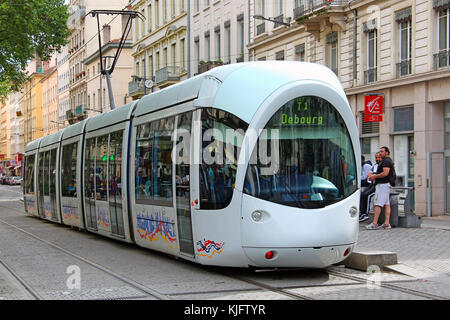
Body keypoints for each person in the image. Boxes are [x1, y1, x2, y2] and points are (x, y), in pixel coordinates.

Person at [366, 146, 394, 230]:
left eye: (382, 151)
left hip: (382, 185)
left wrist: (374, 176)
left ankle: (374, 223)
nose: (380, 153)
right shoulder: (386, 161)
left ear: (387, 152)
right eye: (380, 151)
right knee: (386, 204)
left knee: (378, 204)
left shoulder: (386, 161)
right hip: (385, 185)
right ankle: (386, 223)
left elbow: (385, 173)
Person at [359, 153, 381, 222]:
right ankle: (362, 212)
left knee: (367, 195)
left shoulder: (382, 165)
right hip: (372, 183)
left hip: (378, 184)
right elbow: (369, 174)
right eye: (376, 157)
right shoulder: (375, 165)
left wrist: (374, 175)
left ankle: (365, 213)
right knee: (362, 194)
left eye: (378, 157)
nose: (377, 159)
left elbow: (375, 174)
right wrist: (373, 174)